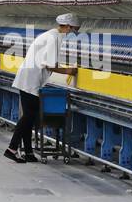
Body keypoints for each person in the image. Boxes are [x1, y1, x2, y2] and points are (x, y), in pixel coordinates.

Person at [5, 13, 79, 163]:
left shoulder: (49, 35)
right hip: (31, 80)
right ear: (68, 27)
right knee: (28, 117)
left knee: (29, 116)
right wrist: (69, 71)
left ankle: (28, 153)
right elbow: (49, 64)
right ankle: (12, 148)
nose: (72, 34)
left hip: (27, 77)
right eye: (73, 30)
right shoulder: (55, 38)